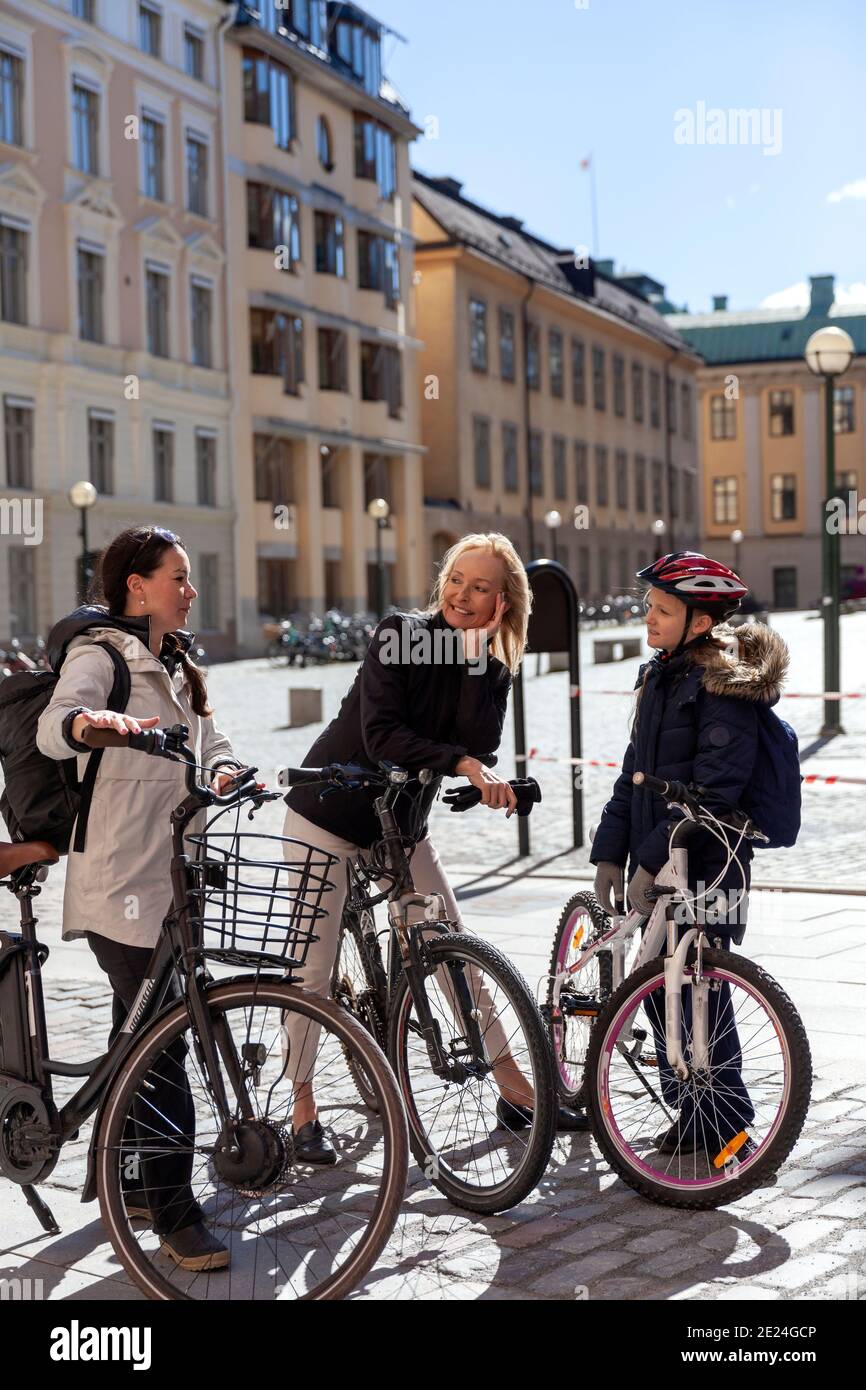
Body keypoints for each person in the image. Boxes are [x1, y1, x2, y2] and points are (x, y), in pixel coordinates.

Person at [281, 532, 586, 1163]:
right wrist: (466, 765)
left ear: (503, 601)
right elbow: (385, 735)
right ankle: (301, 1105)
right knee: (311, 965)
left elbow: (480, 743)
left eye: (480, 587)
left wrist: (475, 659)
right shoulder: (400, 634)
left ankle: (513, 1086)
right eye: (455, 580)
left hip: (401, 827)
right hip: (329, 812)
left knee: (455, 952)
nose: (462, 596)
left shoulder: (493, 663)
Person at [37, 526, 248, 1272]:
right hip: (119, 883)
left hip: (175, 884)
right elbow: (55, 728)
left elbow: (208, 744)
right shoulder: (101, 655)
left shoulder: (179, 661)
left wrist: (226, 771)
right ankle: (174, 1214)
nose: (190, 591)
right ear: (137, 585)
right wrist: (97, 724)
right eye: (178, 578)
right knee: (164, 1046)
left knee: (141, 1040)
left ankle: (125, 1179)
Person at [590, 551, 791, 1155]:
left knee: (703, 989)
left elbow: (716, 790)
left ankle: (727, 1120)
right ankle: (693, 1113)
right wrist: (610, 851)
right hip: (660, 859)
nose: (647, 618)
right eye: (648, 606)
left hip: (710, 860)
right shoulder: (660, 677)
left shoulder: (722, 689)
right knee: (660, 990)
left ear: (699, 622)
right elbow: (635, 777)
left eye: (662, 610)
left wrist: (649, 857)